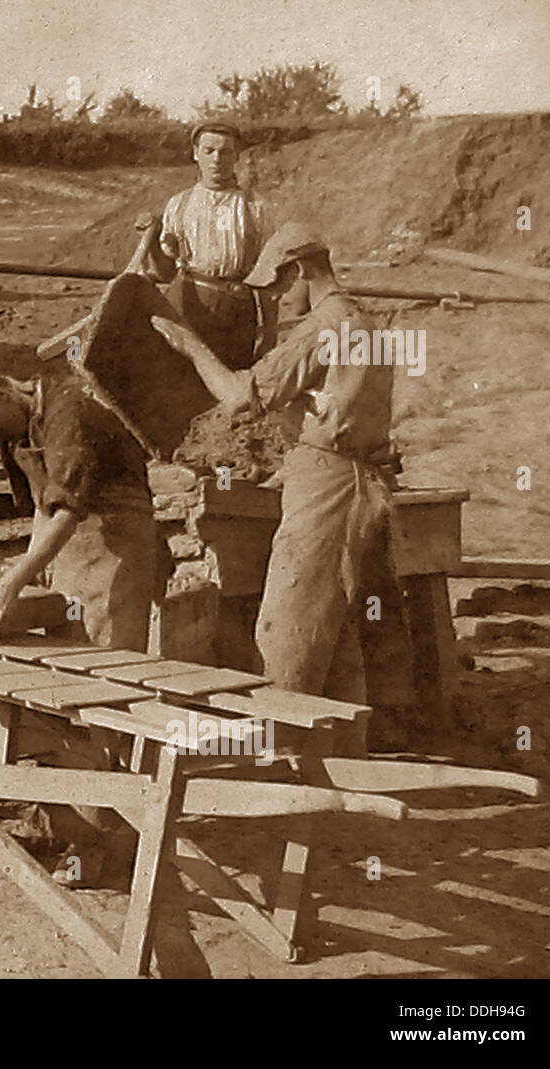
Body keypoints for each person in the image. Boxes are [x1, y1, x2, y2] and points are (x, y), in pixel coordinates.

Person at [151, 223, 419, 745]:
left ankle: (280, 777)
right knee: (336, 640)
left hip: (328, 487)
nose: (275, 301)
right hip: (355, 481)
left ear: (297, 271)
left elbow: (240, 396)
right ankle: (339, 775)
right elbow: (344, 416)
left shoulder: (324, 327)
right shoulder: (366, 323)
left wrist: (188, 345)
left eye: (275, 289)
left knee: (285, 637)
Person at [0, 360, 157, 882]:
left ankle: (101, 845)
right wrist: (31, 574)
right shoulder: (23, 426)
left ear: (0, 397)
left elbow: (68, 510)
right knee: (58, 694)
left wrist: (12, 581)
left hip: (117, 546)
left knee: (99, 698)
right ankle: (60, 817)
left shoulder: (69, 410)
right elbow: (44, 507)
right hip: (73, 552)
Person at [130, 121, 271, 369]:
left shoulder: (255, 208)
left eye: (225, 151)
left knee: (231, 392)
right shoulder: (179, 204)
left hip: (235, 313)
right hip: (187, 307)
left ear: (236, 156)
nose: (217, 159)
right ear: (195, 153)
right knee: (177, 383)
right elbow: (165, 272)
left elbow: (269, 279)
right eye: (209, 151)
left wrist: (269, 334)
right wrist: (153, 240)